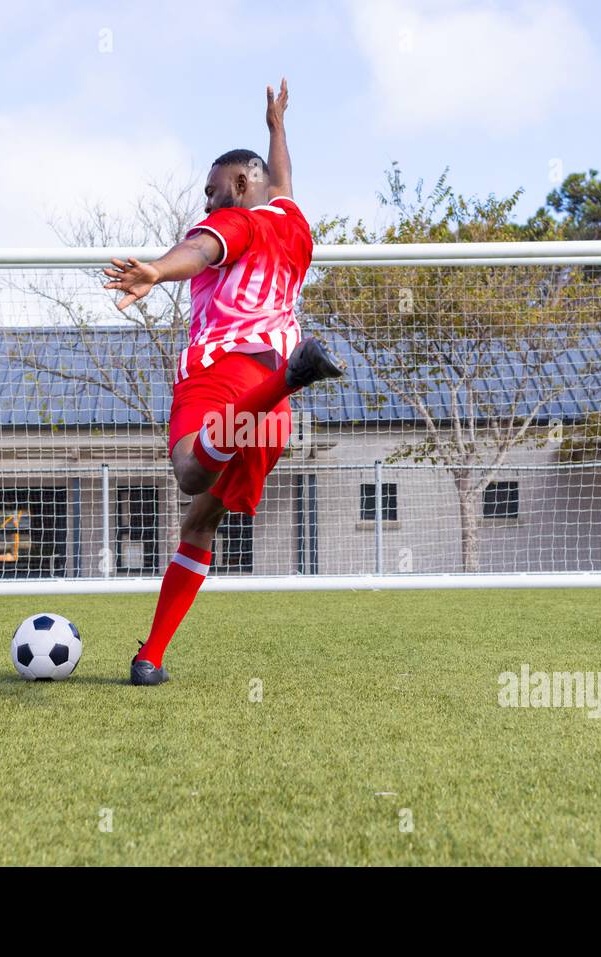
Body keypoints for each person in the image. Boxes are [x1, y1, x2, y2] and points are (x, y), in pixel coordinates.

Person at [102, 78, 343, 686]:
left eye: (212, 191)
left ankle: (290, 380)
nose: (206, 202)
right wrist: (276, 127)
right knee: (200, 525)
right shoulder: (289, 217)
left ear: (239, 188)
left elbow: (205, 247)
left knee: (189, 475)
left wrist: (156, 270)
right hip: (269, 406)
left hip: (225, 373)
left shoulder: (239, 223)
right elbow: (282, 180)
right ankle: (151, 656)